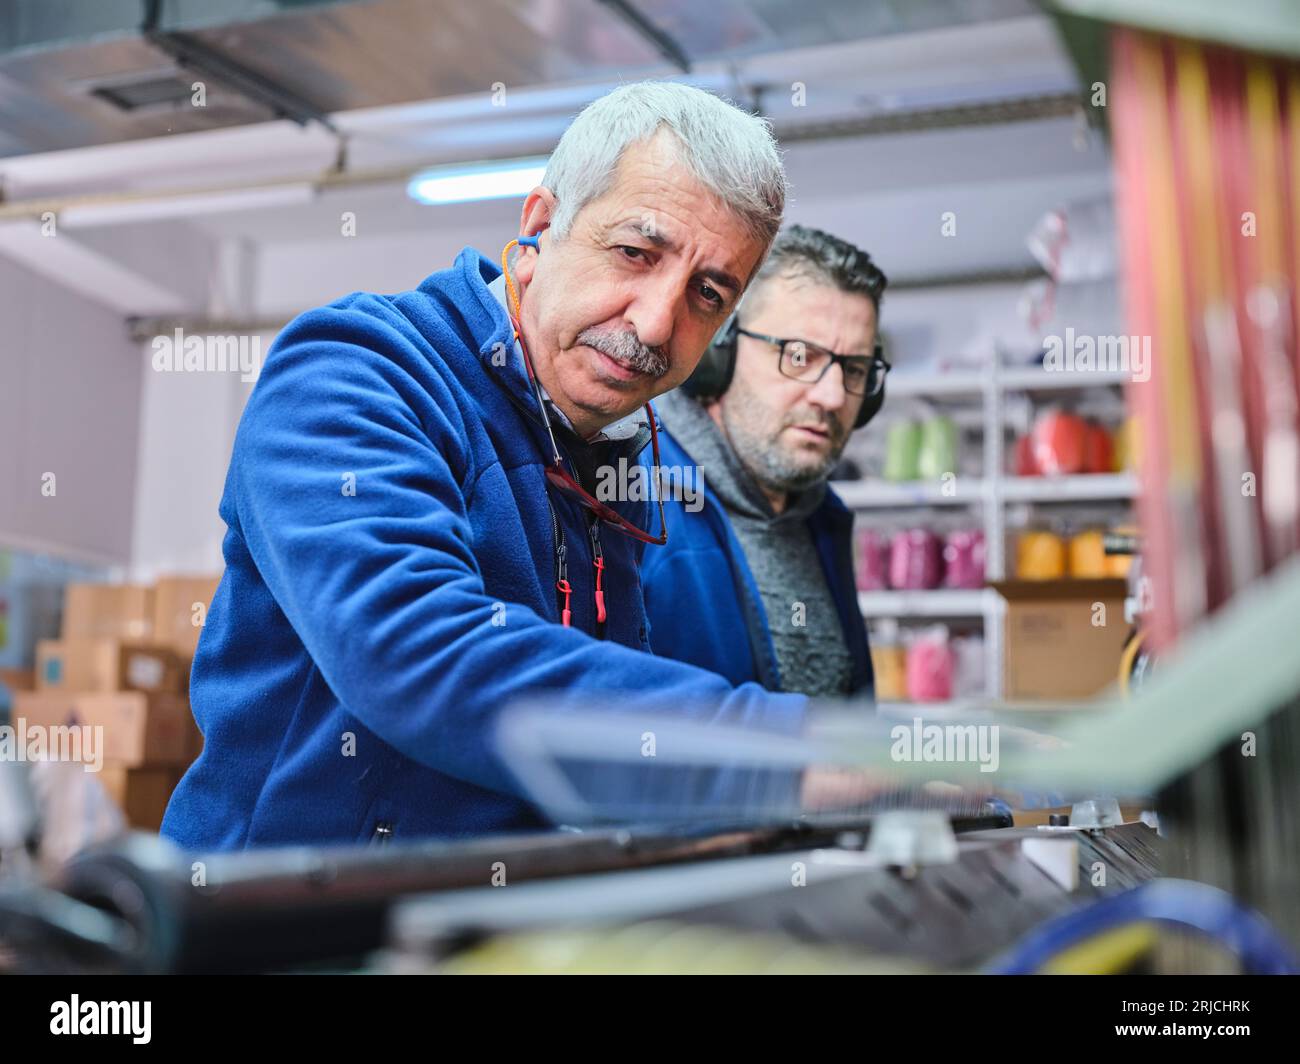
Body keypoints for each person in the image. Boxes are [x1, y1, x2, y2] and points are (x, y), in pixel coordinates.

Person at [160, 81, 822, 851]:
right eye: (636, 252)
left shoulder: (605, 449)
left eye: (707, 294)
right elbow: (414, 651)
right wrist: (777, 753)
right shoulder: (354, 372)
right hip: (277, 931)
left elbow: (577, 719)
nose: (655, 322)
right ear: (541, 227)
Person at [643, 225, 888, 697]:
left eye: (854, 369)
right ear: (721, 349)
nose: (833, 395)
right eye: (799, 355)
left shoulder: (822, 518)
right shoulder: (635, 507)